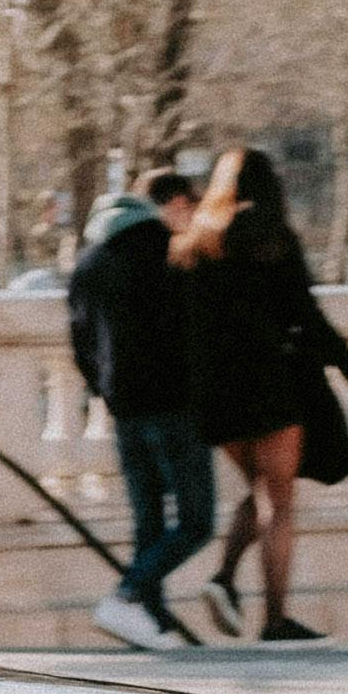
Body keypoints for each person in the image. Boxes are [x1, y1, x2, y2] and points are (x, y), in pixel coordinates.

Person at [169, 147, 348, 642]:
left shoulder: (192, 246)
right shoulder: (273, 240)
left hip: (214, 392)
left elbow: (178, 329)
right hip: (270, 384)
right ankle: (273, 618)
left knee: (258, 489)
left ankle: (225, 579)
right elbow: (308, 316)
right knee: (279, 503)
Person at [60, 171, 210, 648]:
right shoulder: (168, 252)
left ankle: (153, 619)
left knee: (148, 521)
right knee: (195, 521)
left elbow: (81, 344)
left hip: (124, 407)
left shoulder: (88, 264)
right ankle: (127, 596)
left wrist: (104, 388)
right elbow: (193, 330)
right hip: (174, 402)